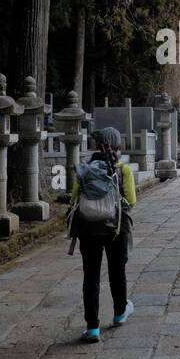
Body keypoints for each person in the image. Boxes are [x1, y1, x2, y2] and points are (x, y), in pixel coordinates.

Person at [70, 127, 136, 343]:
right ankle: (119, 314)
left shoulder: (86, 169)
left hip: (88, 229)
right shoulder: (123, 169)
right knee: (117, 271)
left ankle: (92, 328)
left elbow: (74, 200)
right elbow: (132, 201)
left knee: (91, 277)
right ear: (118, 146)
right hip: (115, 227)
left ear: (96, 146)